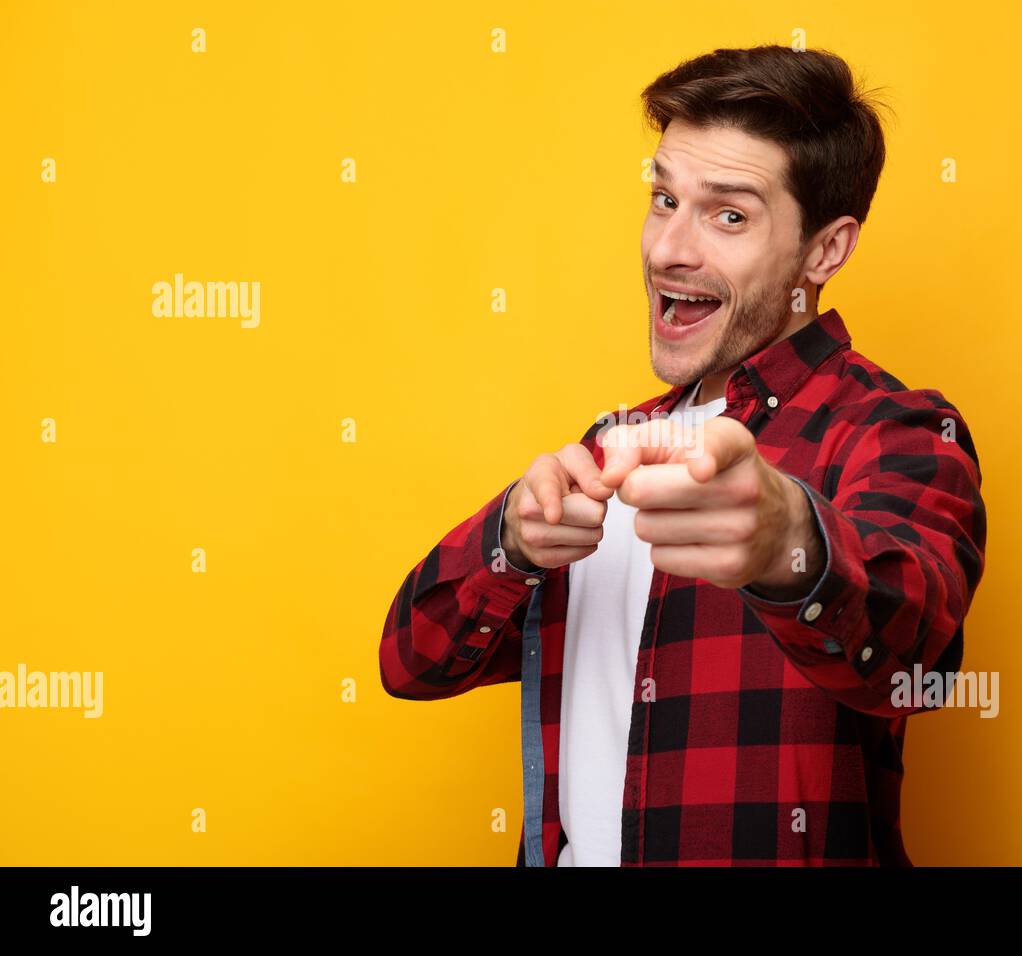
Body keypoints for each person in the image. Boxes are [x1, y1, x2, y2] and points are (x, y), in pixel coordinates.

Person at [379, 44, 987, 866]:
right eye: (664, 198)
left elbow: (918, 655)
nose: (669, 248)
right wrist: (511, 544)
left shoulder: (897, 430)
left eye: (728, 215)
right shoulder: (611, 448)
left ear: (825, 251)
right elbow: (410, 660)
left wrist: (789, 547)